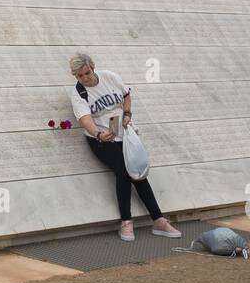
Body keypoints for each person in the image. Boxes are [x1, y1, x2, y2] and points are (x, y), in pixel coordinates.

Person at [68, 52, 180, 242]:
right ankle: (127, 222)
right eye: (80, 76)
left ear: (93, 68)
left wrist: (127, 114)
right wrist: (98, 134)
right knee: (123, 171)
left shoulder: (109, 77)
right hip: (101, 139)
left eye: (87, 73)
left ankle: (159, 220)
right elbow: (85, 119)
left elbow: (126, 95)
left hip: (125, 134)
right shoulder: (79, 93)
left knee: (137, 172)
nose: (85, 78)